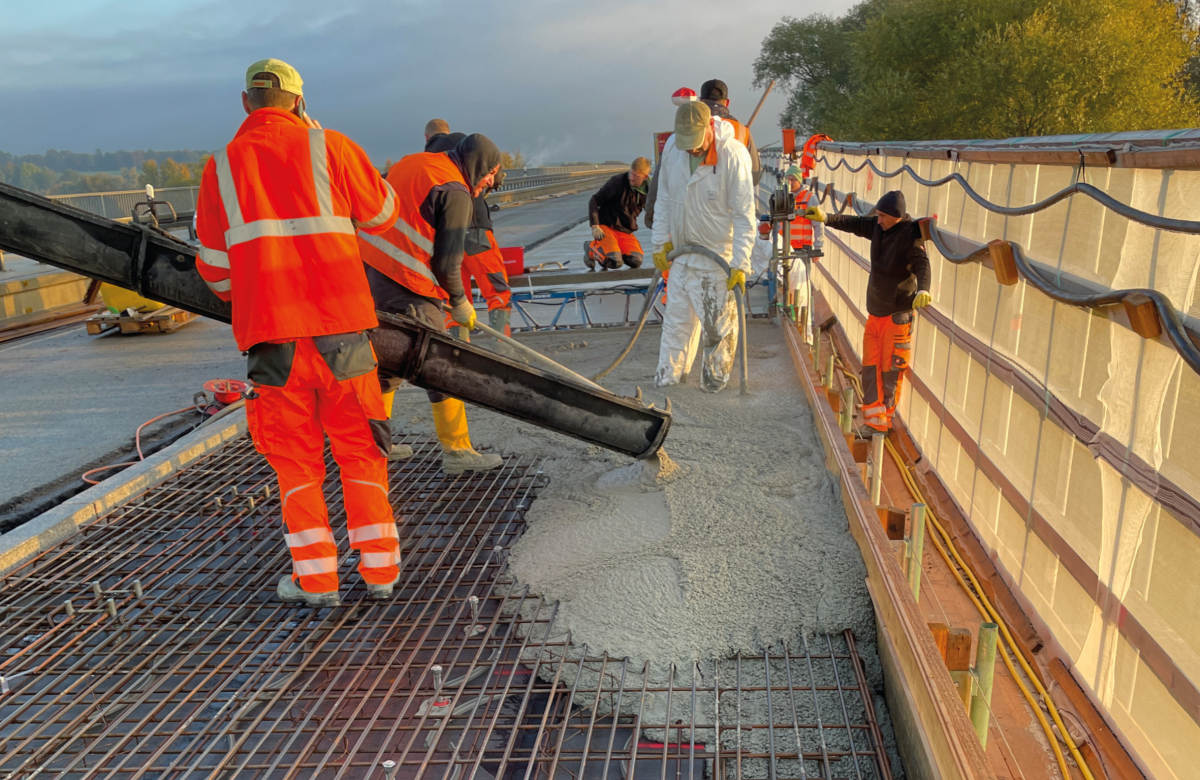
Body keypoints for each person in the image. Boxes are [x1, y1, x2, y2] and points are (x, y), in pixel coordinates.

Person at [194, 59, 402, 608]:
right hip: (343, 335)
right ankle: (380, 573)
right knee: (361, 451)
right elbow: (384, 214)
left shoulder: (219, 167)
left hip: (272, 340)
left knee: (296, 464)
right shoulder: (330, 146)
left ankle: (316, 582)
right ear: (298, 100)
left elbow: (216, 274)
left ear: (246, 102)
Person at [356, 133, 505, 475]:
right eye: (487, 179)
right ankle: (458, 451)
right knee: (441, 365)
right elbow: (447, 263)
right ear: (482, 168)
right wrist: (459, 302)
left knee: (387, 365)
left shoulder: (416, 163)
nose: (484, 187)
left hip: (370, 275)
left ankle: (374, 445)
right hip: (406, 282)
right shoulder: (455, 192)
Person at [805, 190, 932, 432]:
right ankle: (873, 421)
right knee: (871, 369)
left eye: (883, 216)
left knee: (890, 371)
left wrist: (923, 290)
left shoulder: (910, 236)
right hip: (875, 312)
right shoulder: (878, 227)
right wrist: (826, 217)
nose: (878, 219)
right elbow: (854, 223)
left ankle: (883, 423)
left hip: (896, 316)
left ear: (896, 216)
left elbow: (922, 265)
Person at [651, 101, 755, 392]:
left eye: (695, 144)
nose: (691, 150)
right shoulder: (673, 148)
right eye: (686, 144)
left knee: (718, 331)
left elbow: (745, 215)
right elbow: (664, 199)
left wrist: (740, 263)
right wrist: (661, 242)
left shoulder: (733, 157)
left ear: (709, 127)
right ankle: (668, 382)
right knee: (675, 326)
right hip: (683, 256)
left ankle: (713, 388)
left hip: (716, 259)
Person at [424, 126, 512, 339]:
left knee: (456, 298)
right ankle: (505, 349)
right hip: (476, 228)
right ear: (447, 130)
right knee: (497, 290)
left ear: (426, 137)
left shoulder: (428, 158)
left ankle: (459, 352)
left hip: (446, 236)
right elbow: (492, 167)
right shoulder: (463, 145)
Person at [646, 78, 760, 229]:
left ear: (700, 100)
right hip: (726, 220)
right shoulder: (742, 131)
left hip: (689, 217)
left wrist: (651, 217)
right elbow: (754, 176)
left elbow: (663, 178)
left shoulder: (687, 129)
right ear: (727, 102)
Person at [585, 157, 651, 270]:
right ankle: (590, 248)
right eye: (631, 173)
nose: (631, 178)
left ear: (645, 177)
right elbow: (594, 200)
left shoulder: (649, 190)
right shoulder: (617, 182)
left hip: (625, 230)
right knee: (614, 262)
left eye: (636, 176)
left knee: (636, 261)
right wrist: (595, 226)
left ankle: (615, 249)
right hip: (606, 226)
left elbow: (653, 211)